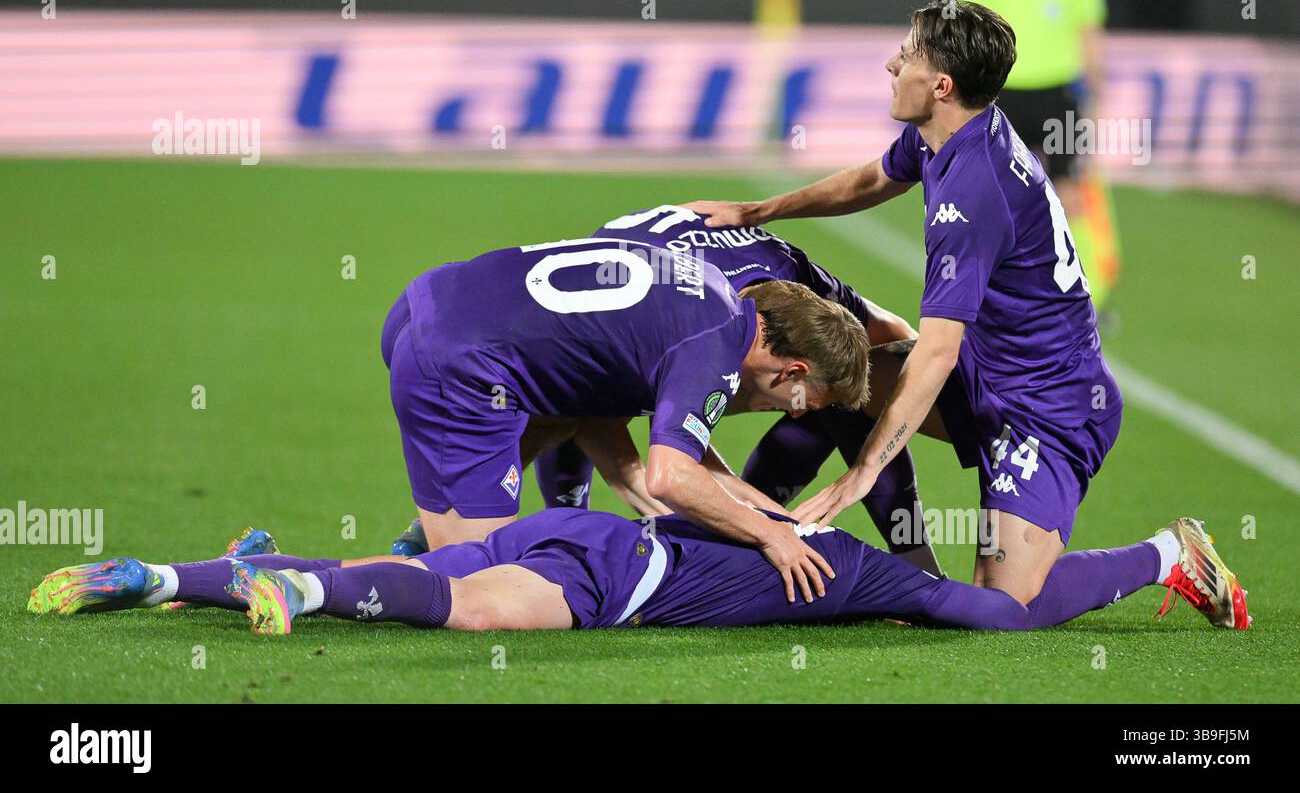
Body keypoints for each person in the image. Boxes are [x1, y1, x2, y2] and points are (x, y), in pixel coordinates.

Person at [683, 0, 1144, 612]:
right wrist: (758, 210)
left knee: (1001, 608)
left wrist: (864, 471)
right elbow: (875, 178)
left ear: (942, 85)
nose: (890, 64)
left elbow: (936, 353)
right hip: (985, 371)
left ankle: (1169, 554)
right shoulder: (947, 132)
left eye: (906, 56)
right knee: (838, 381)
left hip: (1044, 408)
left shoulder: (974, 193)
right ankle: (762, 542)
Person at [376, 237, 871, 602]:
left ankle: (424, 533)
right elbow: (671, 477)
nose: (787, 412)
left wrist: (783, 524)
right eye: (800, 402)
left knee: (555, 421)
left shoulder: (712, 293)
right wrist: (768, 535)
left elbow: (608, 430)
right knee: (478, 582)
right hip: (459, 364)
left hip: (432, 302)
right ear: (793, 369)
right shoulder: (715, 351)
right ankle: (309, 582)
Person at [491, 204, 950, 574]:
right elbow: (634, 456)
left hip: (692, 255)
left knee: (845, 402)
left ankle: (914, 564)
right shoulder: (699, 332)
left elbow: (893, 335)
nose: (793, 414)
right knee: (576, 408)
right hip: (609, 295)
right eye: (795, 399)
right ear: (784, 367)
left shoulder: (817, 298)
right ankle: (559, 533)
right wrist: (741, 525)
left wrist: (760, 521)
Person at [27, 510, 1249, 633]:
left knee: (409, 572)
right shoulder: (858, 572)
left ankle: (168, 574)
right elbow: (984, 603)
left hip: (591, 535)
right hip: (616, 573)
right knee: (462, 609)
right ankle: (1163, 549)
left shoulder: (737, 473)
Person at [955, 0, 1119, 308]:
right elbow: (968, 36)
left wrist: (1096, 90)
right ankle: (997, 291)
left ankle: (1086, 294)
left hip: (1058, 94)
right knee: (996, 190)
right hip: (1001, 95)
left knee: (1068, 189)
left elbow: (1089, 32)